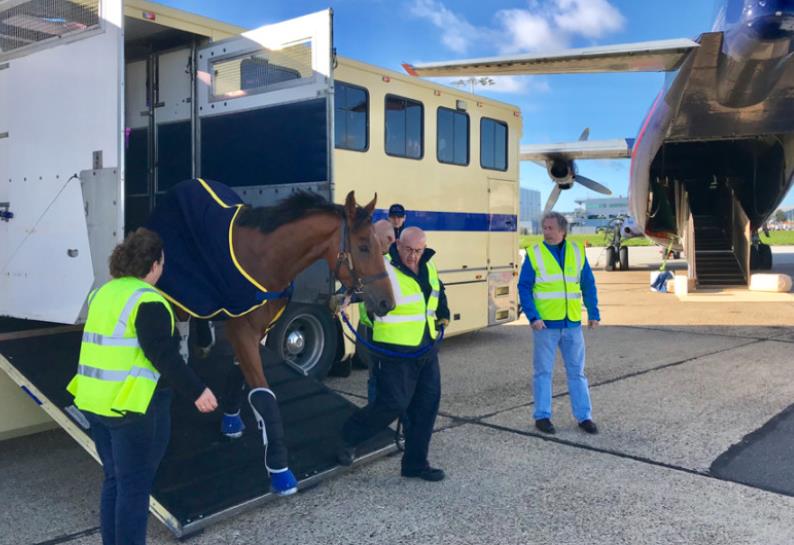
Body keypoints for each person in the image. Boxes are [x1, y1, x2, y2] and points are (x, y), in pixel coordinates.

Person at [67, 228, 218, 545]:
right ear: (155, 264)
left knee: (115, 481)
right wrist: (198, 391)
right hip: (133, 409)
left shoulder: (103, 293)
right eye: (162, 262)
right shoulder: (148, 301)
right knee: (134, 489)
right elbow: (164, 355)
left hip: (95, 403)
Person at [338, 227, 450, 481]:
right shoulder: (383, 267)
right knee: (392, 404)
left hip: (426, 349)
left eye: (418, 251)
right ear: (397, 244)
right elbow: (364, 301)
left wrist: (443, 313)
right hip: (394, 351)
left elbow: (437, 292)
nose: (413, 256)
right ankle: (348, 437)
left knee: (426, 408)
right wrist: (351, 302)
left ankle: (415, 464)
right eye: (409, 250)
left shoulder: (428, 265)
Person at [517, 212, 600, 436]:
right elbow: (524, 287)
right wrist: (533, 316)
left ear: (562, 230)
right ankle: (542, 416)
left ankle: (584, 417)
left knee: (577, 373)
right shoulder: (534, 254)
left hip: (572, 323)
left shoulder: (576, 251)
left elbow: (588, 284)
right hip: (545, 326)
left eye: (550, 228)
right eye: (544, 227)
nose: (546, 232)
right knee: (543, 372)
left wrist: (593, 312)